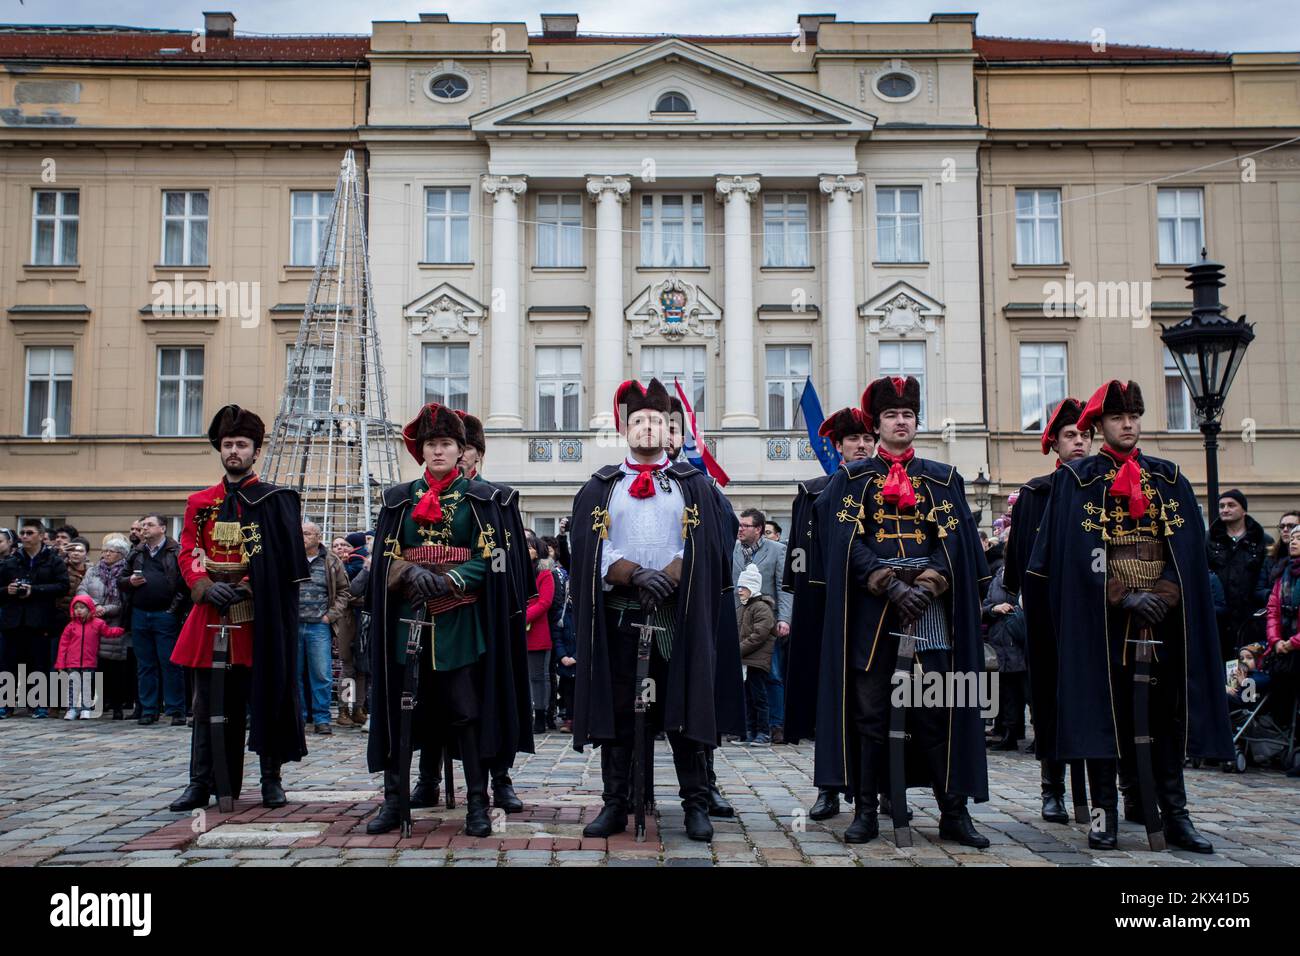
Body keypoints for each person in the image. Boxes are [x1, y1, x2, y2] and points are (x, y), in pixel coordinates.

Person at [1028, 379, 1232, 852]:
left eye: (1134, 417)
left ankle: (1175, 814)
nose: (1128, 425)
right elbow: (1069, 557)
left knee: (1165, 718)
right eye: (1118, 418)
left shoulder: (1168, 477)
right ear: (1099, 425)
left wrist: (1164, 592)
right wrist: (1120, 595)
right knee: (1104, 716)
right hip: (1101, 624)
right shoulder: (1075, 480)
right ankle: (1104, 814)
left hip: (1162, 618)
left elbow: (1187, 552)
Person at [811, 376, 991, 847]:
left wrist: (926, 585)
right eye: (891, 415)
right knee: (870, 716)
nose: (901, 422)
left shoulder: (943, 479)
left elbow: (956, 543)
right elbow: (844, 542)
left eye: (908, 414)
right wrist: (888, 583)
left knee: (937, 712)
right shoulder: (850, 480)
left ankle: (953, 813)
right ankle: (866, 812)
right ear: (877, 424)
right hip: (872, 615)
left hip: (928, 610)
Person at [570, 378, 743, 842]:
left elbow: (711, 544)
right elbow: (588, 546)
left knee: (685, 711)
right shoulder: (602, 487)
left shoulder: (695, 486)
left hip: (678, 616)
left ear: (670, 429)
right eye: (639, 420)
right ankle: (615, 803)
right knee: (621, 714)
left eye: (658, 421)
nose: (648, 427)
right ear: (624, 428)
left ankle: (695, 805)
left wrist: (669, 574)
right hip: (621, 615)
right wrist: (631, 573)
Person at [363, 403, 533, 837]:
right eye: (431, 445)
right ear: (420, 451)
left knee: (465, 713)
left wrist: (452, 578)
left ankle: (478, 803)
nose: (438, 451)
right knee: (403, 710)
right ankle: (395, 800)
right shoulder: (398, 500)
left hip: (461, 624)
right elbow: (383, 558)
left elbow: (494, 558)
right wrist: (407, 572)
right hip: (408, 620)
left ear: (461, 450)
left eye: (445, 444)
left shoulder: (483, 500)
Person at [167, 405, 312, 813]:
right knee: (208, 705)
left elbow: (282, 558)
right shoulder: (200, 502)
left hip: (258, 615)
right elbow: (189, 550)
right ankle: (202, 782)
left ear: (255, 451)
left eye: (242, 444)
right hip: (211, 611)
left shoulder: (274, 500)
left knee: (266, 697)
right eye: (228, 444)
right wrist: (203, 586)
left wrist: (248, 585)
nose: (234, 451)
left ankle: (271, 780)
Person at [1003, 396, 1092, 824]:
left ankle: (1121, 792)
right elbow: (1020, 562)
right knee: (1050, 701)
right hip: (1049, 616)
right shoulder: (1036, 494)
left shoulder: (1108, 486)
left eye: (1085, 435)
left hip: (1097, 615)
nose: (1079, 442)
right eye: (1070, 435)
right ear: (1054, 442)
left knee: (1098, 703)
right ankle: (1052, 788)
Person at [783, 404, 874, 821]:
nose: (862, 445)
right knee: (829, 702)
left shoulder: (889, 488)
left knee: (874, 700)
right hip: (825, 609)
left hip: (874, 607)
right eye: (853, 439)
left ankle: (879, 788)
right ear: (837, 446)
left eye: (867, 438)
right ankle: (829, 787)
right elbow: (800, 559)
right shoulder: (814, 491)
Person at [666, 393, 741, 819]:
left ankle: (705, 784)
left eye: (673, 428)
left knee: (700, 698)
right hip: (642, 606)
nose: (665, 435)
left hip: (696, 607)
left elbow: (723, 539)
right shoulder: (621, 483)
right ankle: (631, 790)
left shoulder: (702, 486)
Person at [0, 519, 70, 718]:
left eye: (29, 533)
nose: (24, 536)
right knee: (8, 663)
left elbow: (62, 586)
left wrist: (35, 590)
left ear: (40, 535)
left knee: (39, 662)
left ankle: (38, 703)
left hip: (40, 619)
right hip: (13, 619)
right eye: (23, 533)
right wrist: (7, 590)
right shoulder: (11, 561)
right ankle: (6, 704)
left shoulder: (53, 560)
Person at [732, 509, 791, 744]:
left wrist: (784, 618)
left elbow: (784, 587)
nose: (740, 529)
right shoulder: (734, 549)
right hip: (739, 623)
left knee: (772, 675)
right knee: (743, 678)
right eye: (740, 525)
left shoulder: (777, 550)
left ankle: (775, 725)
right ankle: (746, 726)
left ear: (758, 529)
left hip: (767, 624)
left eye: (745, 526)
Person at [123, 514, 187, 726]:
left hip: (165, 614)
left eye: (149, 525)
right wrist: (130, 581)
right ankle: (149, 709)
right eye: (142, 525)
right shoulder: (137, 552)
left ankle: (176, 709)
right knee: (145, 664)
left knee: (170, 663)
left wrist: (172, 610)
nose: (144, 529)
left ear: (162, 528)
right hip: (140, 613)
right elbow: (120, 580)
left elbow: (184, 584)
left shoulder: (175, 551)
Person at [298, 521, 351, 736]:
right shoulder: (292, 557)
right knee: (295, 674)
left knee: (321, 674)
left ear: (318, 537)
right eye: (300, 533)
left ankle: (322, 719)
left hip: (319, 626)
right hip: (294, 624)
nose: (302, 537)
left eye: (307, 533)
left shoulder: (331, 560)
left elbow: (344, 591)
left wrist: (330, 616)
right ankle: (299, 718)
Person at [1207, 489, 1269, 658]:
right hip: (1219, 618)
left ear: (1244, 510)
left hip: (1251, 617)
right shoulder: (1208, 540)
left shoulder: (1262, 540)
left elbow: (1268, 576)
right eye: (1221, 506)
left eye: (1231, 505)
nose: (1225, 509)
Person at [78, 535, 134, 720]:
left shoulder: (125, 573)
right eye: (105, 550)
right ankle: (100, 702)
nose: (106, 554)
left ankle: (117, 705)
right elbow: (82, 590)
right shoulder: (94, 570)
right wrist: (93, 606)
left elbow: (124, 601)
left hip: (115, 624)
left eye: (111, 551)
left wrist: (105, 609)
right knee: (97, 665)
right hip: (92, 622)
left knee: (115, 667)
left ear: (122, 554)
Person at [982, 564, 1027, 750]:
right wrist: (994, 608)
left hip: (1015, 642)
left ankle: (1014, 733)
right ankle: (1006, 733)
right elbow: (986, 605)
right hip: (999, 642)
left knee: (1019, 693)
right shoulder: (998, 576)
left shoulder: (1021, 574)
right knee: (1006, 691)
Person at [55, 594, 123, 719]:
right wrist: (60, 663)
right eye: (76, 608)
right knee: (73, 687)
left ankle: (85, 708)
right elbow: (63, 646)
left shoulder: (98, 624)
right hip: (72, 663)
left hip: (89, 662)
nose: (79, 610)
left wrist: (121, 630)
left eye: (82, 607)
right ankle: (72, 709)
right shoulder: (70, 626)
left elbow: (108, 632)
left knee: (86, 686)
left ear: (90, 608)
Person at [736, 563, 775, 744]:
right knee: (748, 698)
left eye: (743, 587)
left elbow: (759, 635)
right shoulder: (743, 608)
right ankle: (750, 731)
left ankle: (763, 732)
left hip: (757, 661)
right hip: (746, 660)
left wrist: (737, 650)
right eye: (739, 587)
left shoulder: (761, 608)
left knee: (759, 697)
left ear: (752, 587)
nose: (739, 591)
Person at [523, 528, 556, 733]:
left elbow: (545, 602)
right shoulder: (519, 572)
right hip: (520, 632)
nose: (526, 550)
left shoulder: (545, 574)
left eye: (530, 547)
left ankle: (541, 716)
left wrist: (523, 617)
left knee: (538, 677)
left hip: (538, 631)